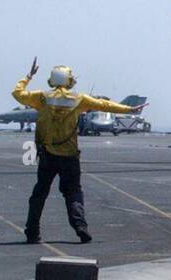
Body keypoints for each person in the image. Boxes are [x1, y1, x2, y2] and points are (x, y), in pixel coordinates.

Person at [12, 57, 145, 243]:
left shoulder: (42, 97)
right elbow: (104, 104)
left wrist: (28, 76)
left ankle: (32, 231)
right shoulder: (78, 99)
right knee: (73, 192)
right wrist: (129, 110)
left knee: (39, 194)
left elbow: (17, 93)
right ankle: (80, 226)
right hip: (69, 156)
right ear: (69, 80)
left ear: (52, 80)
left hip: (47, 155)